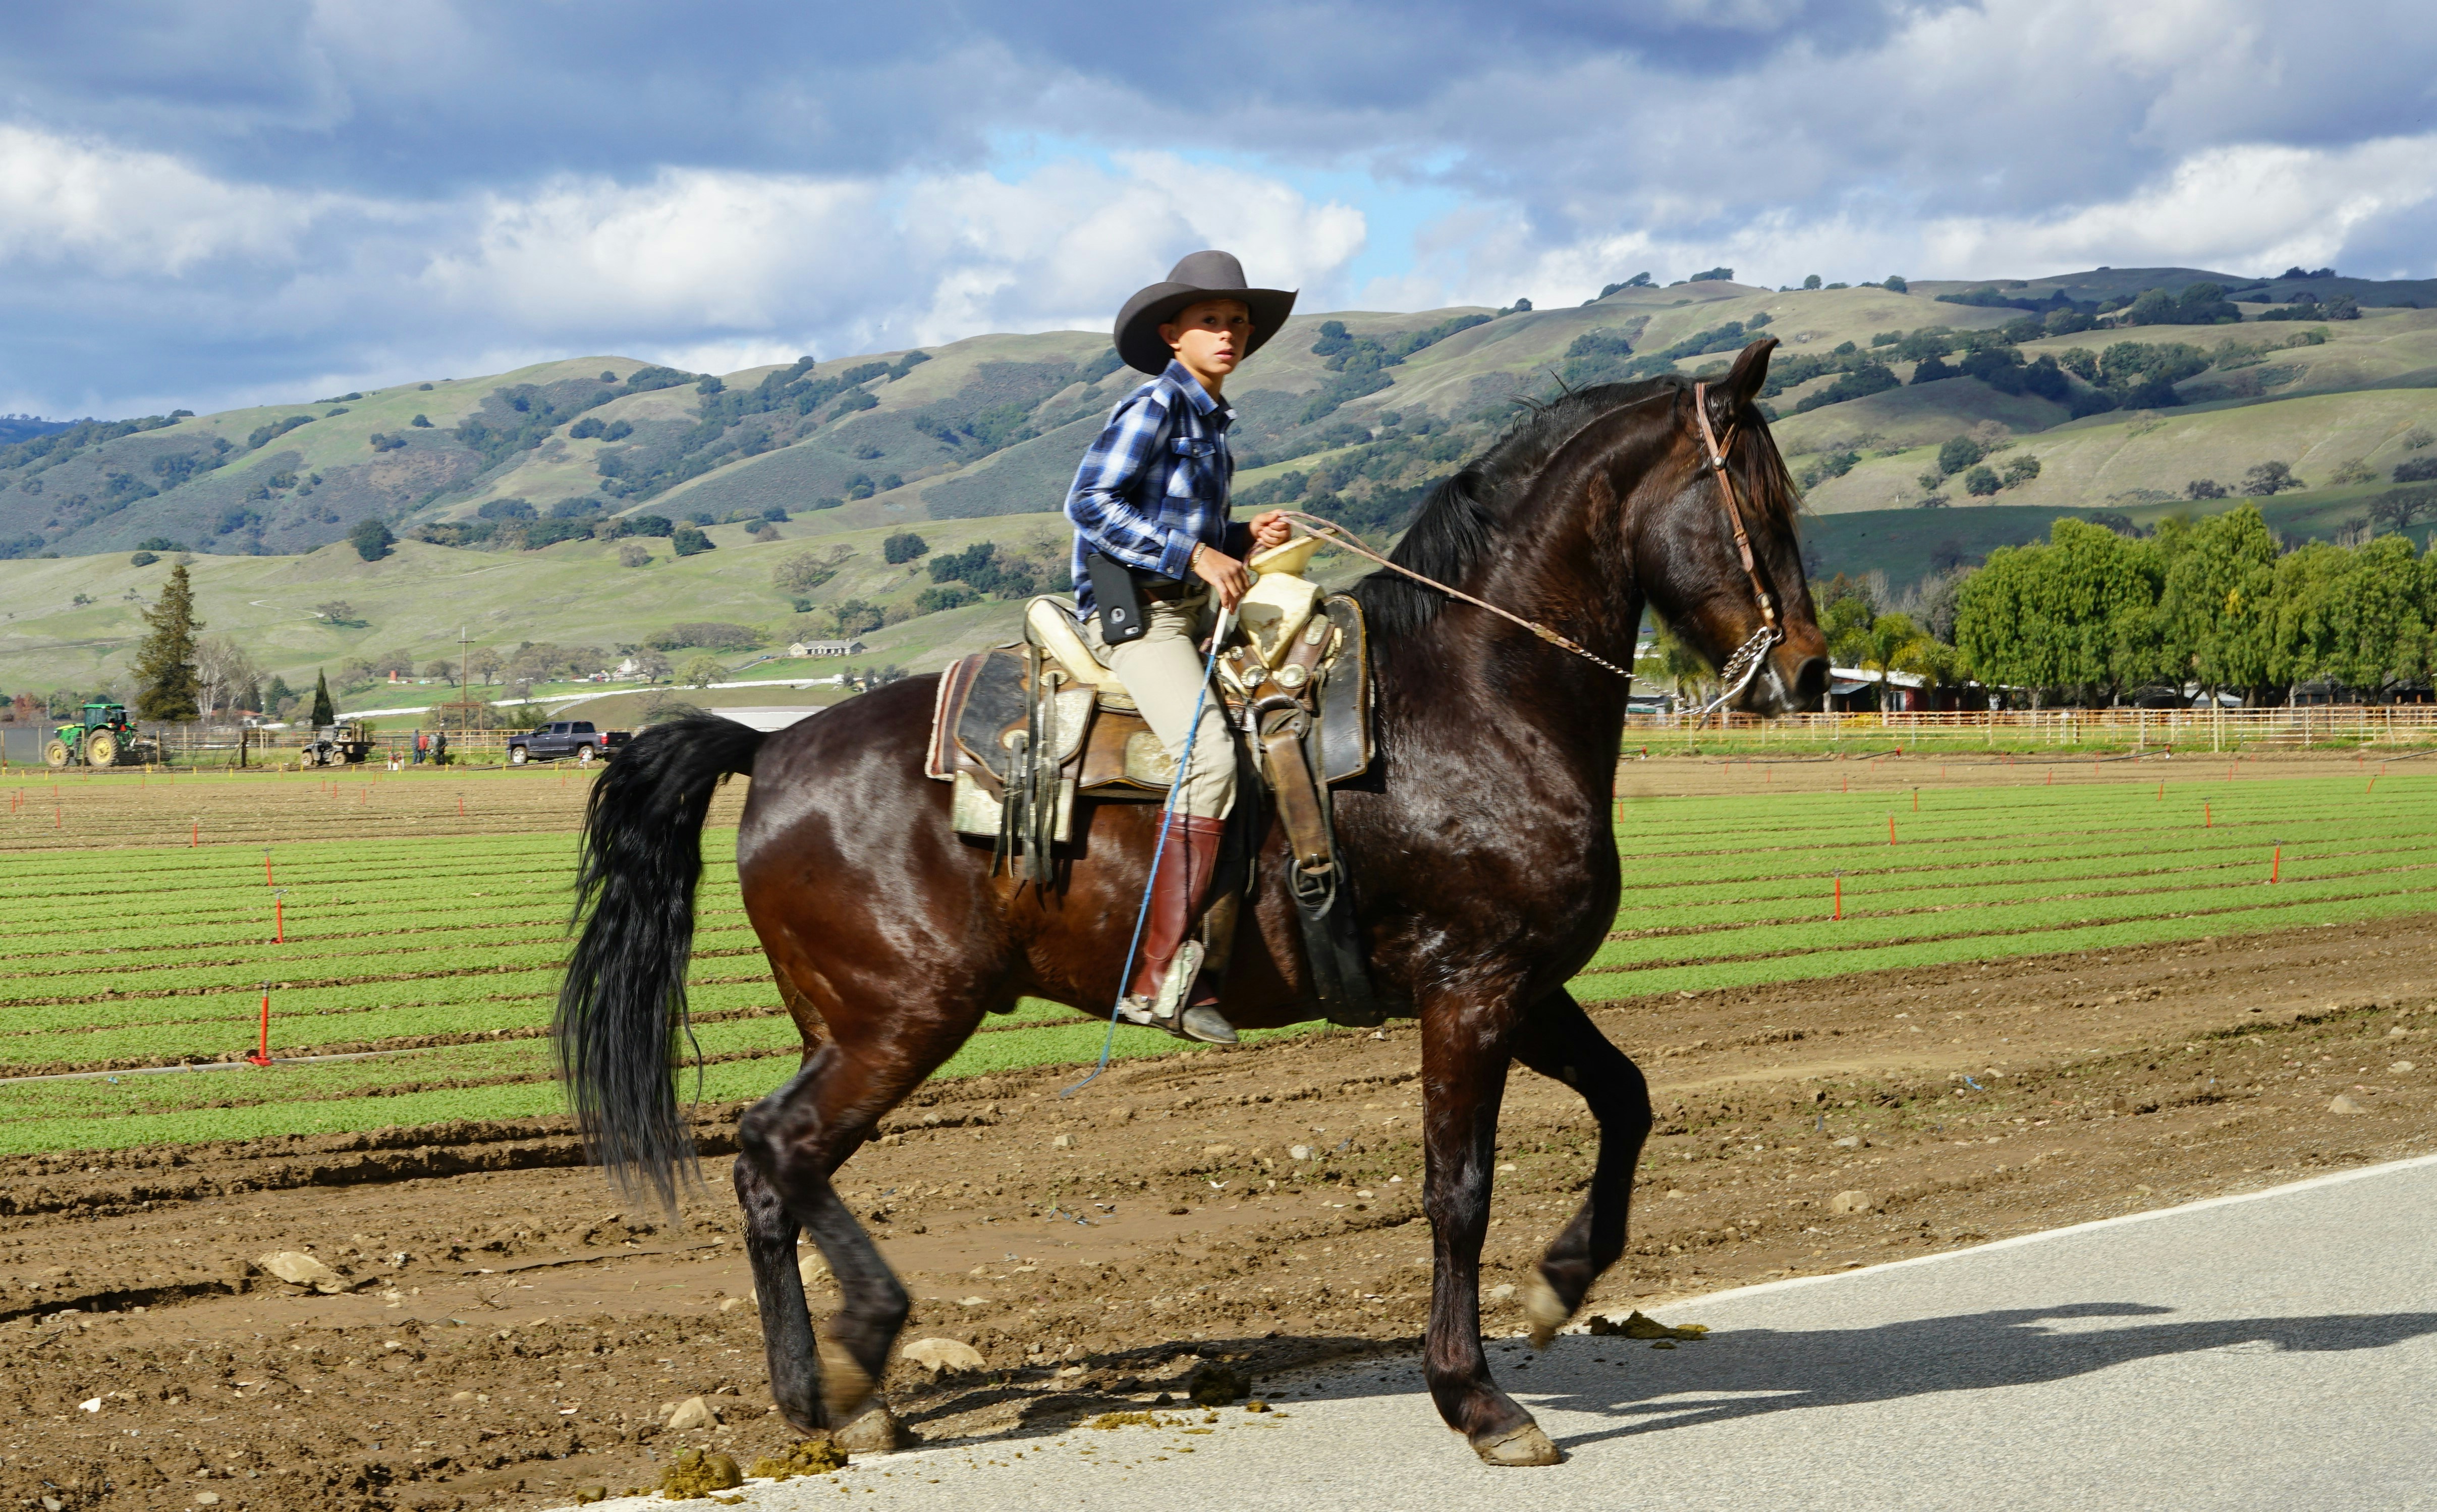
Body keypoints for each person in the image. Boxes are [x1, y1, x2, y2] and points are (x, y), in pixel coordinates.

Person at [1065, 250, 1296, 1045]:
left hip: (1192, 608)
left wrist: (1239, 534)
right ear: (1171, 334)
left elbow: (1184, 522)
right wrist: (1196, 556)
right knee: (1209, 762)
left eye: (1238, 323)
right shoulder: (1154, 407)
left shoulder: (1210, 417)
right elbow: (1088, 502)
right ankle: (1155, 974)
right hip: (1144, 617)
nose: (1229, 334)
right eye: (1211, 322)